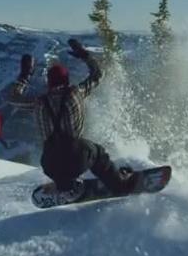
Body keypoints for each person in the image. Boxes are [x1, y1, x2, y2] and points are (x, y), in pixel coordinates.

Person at [8, 39, 135, 195]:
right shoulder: (75, 94)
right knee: (97, 153)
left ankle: (64, 185)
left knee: (64, 158)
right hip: (75, 158)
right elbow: (97, 74)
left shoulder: (39, 103)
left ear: (49, 84)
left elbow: (12, 98)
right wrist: (84, 55)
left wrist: (24, 76)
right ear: (67, 80)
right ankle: (119, 185)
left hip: (49, 164)